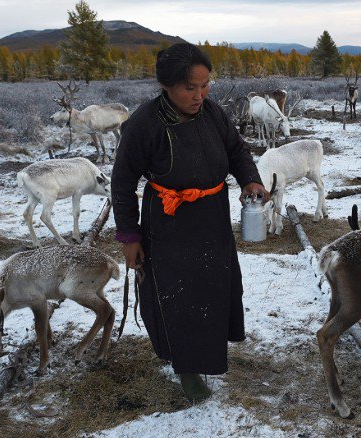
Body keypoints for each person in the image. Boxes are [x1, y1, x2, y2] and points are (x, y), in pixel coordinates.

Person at [111, 43, 269, 402]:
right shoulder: (143, 125)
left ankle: (208, 352)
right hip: (166, 223)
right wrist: (129, 236)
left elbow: (236, 151)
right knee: (176, 297)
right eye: (190, 88)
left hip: (212, 216)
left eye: (205, 85)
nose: (200, 95)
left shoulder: (212, 113)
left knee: (212, 288)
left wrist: (250, 179)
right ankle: (187, 368)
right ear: (166, 85)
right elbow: (122, 182)